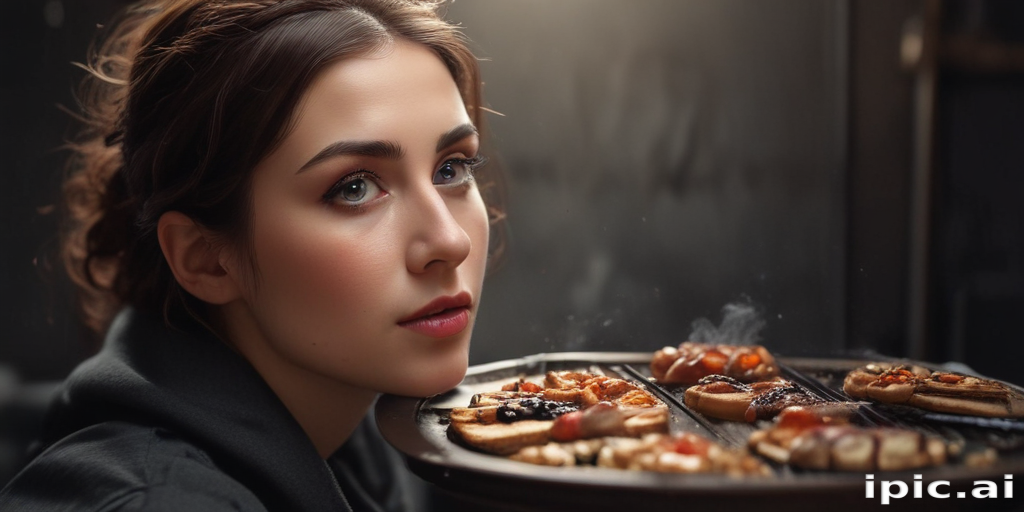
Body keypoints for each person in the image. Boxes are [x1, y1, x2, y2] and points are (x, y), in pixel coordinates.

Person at [0, 0, 500, 510]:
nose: (449, 242)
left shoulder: (364, 449)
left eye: (451, 169)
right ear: (206, 259)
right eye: (353, 188)